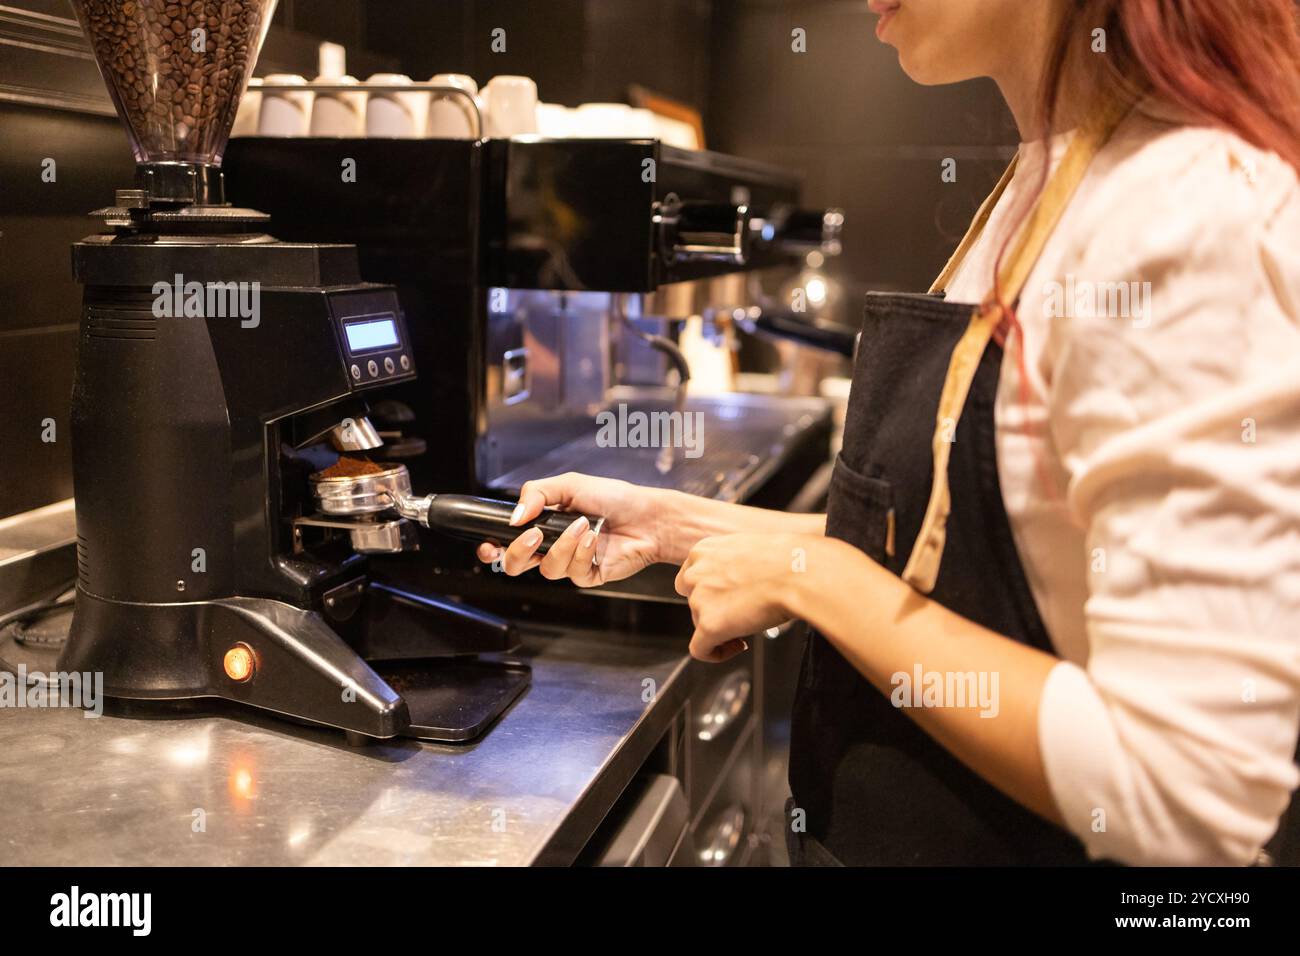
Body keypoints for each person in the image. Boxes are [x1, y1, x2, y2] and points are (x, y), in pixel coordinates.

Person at [479, 0, 1300, 866]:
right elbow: (970, 559)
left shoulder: (1182, 208)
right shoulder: (1046, 176)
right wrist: (681, 526)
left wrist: (815, 578)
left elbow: (1185, 790)